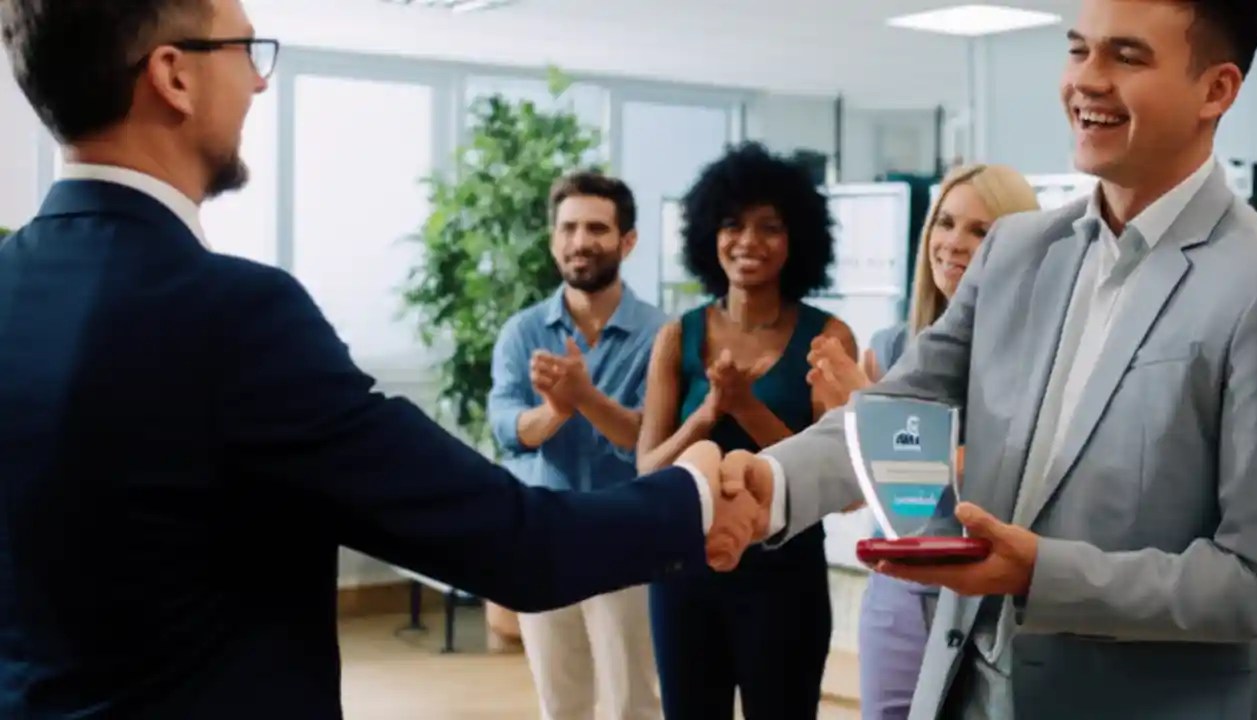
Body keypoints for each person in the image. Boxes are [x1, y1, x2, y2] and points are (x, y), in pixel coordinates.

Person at [0, 1, 761, 717]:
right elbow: (515, 545)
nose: (260, 82)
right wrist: (693, 492)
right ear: (174, 76)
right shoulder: (233, 313)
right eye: (245, 50)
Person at [717, 1, 1257, 718]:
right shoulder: (1016, 251)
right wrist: (769, 484)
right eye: (1078, 51)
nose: (1087, 80)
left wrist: (1041, 574)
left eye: (1127, 57)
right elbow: (899, 410)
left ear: (1217, 90)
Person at [808, 164, 1040, 720]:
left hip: (994, 601)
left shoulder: (1039, 358)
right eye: (946, 222)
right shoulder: (891, 345)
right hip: (901, 593)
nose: (954, 243)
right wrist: (849, 428)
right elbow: (862, 496)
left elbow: (1011, 472)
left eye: (981, 231)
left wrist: (872, 413)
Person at [636, 142, 857, 719]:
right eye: (733, 225)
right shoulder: (677, 337)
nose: (748, 242)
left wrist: (746, 406)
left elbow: (833, 477)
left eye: (770, 227)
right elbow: (649, 468)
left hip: (784, 572)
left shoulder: (828, 338)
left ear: (797, 238)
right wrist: (710, 411)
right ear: (709, 233)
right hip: (684, 568)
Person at [487, 171, 664, 720]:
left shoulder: (662, 335)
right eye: (568, 228)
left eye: (596, 228)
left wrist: (584, 397)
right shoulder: (522, 332)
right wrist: (556, 411)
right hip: (544, 537)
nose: (580, 241)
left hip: (627, 538)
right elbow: (506, 425)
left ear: (627, 242)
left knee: (632, 703)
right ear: (553, 240)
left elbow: (648, 439)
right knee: (559, 704)